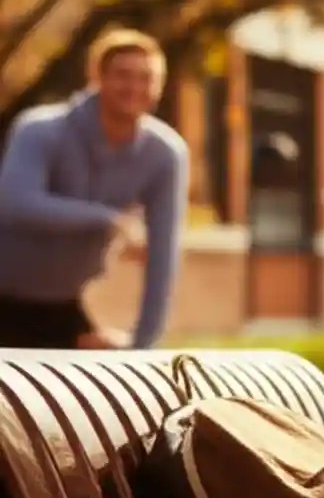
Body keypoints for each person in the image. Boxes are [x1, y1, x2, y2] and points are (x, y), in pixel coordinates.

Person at [0, 28, 189, 350]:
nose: (134, 87)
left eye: (147, 77)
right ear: (96, 78)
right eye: (123, 75)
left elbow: (162, 255)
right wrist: (109, 219)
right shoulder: (39, 129)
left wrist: (142, 347)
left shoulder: (165, 154)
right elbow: (14, 203)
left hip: (60, 306)